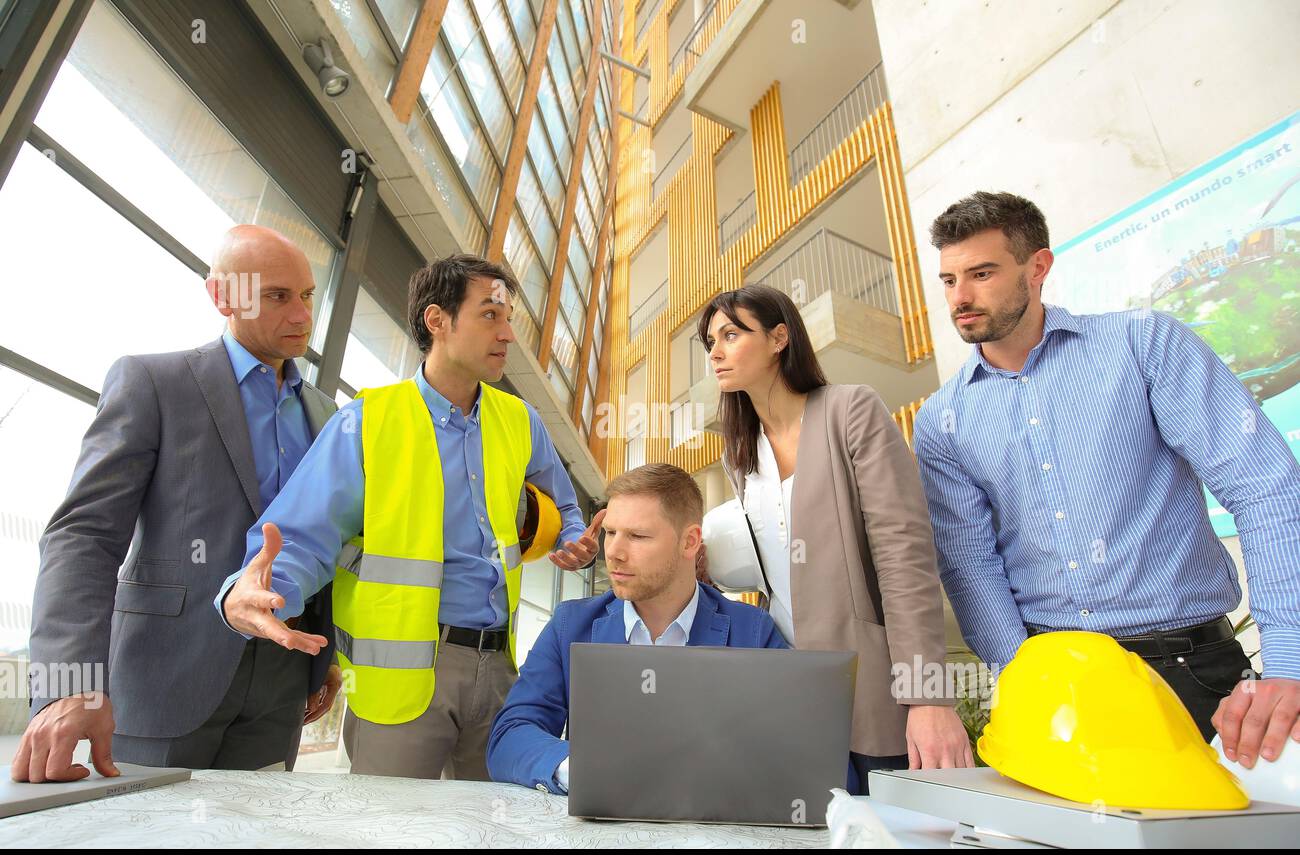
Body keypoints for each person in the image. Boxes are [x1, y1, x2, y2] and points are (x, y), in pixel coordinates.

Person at [914, 190, 1300, 767]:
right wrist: (1026, 681)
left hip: (1194, 673)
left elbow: (1264, 485)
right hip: (1064, 687)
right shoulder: (942, 421)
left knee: (1217, 854)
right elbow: (970, 564)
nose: (960, 297)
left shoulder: (1144, 344)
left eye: (982, 273)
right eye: (948, 280)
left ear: (1038, 267)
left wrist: (1290, 663)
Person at [219, 254, 602, 780]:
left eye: (509, 317)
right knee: (389, 832)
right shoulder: (367, 420)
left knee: (492, 832)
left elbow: (562, 505)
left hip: (499, 673)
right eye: (491, 315)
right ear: (437, 320)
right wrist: (258, 589)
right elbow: (302, 537)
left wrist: (577, 538)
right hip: (402, 679)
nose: (508, 334)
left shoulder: (520, 420)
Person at [13, 225, 341, 783]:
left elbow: (326, 539)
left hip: (280, 686)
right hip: (164, 676)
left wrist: (328, 654)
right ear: (222, 298)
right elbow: (84, 535)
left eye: (307, 296)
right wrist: (68, 685)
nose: (301, 316)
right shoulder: (153, 382)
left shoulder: (328, 415)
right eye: (278, 296)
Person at [697, 285, 972, 794]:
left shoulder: (850, 411)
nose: (714, 352)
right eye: (710, 340)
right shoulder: (741, 456)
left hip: (876, 690)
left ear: (780, 338)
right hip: (792, 691)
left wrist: (927, 695)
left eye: (731, 335)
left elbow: (904, 558)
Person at [487, 463, 787, 793]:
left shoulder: (754, 632)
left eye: (637, 536)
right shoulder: (569, 625)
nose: (613, 552)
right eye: (611, 532)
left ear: (689, 543)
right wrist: (586, 771)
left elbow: (809, 754)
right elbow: (510, 735)